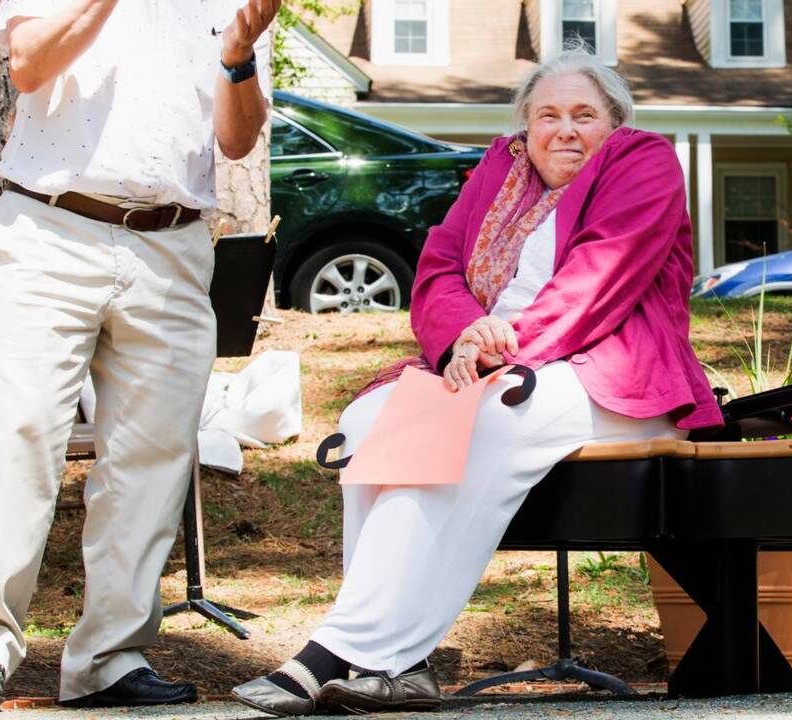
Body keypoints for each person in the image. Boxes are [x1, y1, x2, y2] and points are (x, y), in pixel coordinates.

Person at [231, 46, 723, 717]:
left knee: (472, 418)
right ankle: (401, 665)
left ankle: (335, 653)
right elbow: (438, 270)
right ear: (525, 126)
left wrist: (502, 353)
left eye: (585, 114)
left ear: (614, 123)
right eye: (547, 115)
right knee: (373, 421)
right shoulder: (500, 169)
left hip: (614, 374)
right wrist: (466, 336)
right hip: (493, 368)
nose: (565, 129)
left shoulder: (642, 162)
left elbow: (599, 281)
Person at [0, 0, 278, 709]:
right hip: (51, 230)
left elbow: (238, 141)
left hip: (174, 243)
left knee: (153, 459)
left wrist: (240, 51)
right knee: (18, 438)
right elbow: (30, 65)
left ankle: (108, 660)